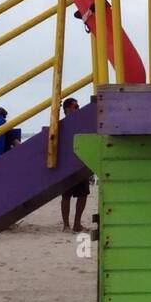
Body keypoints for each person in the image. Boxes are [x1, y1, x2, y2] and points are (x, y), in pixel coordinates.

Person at [59, 98, 91, 232]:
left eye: (78, 107)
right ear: (67, 109)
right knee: (66, 195)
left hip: (80, 162)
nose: (77, 109)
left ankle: (77, 223)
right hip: (66, 164)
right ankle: (66, 225)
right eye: (75, 107)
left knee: (83, 194)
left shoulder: (81, 123)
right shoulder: (61, 124)